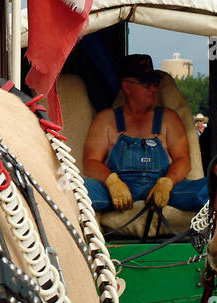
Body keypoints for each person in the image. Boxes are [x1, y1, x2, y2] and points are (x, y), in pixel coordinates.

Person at [81, 53, 208, 213]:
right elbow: (90, 162)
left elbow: (183, 161)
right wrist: (112, 182)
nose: (153, 89)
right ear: (127, 86)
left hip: (163, 189)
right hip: (117, 190)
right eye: (146, 84)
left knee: (215, 187)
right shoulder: (106, 120)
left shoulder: (169, 119)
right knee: (71, 188)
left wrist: (167, 183)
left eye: (155, 83)